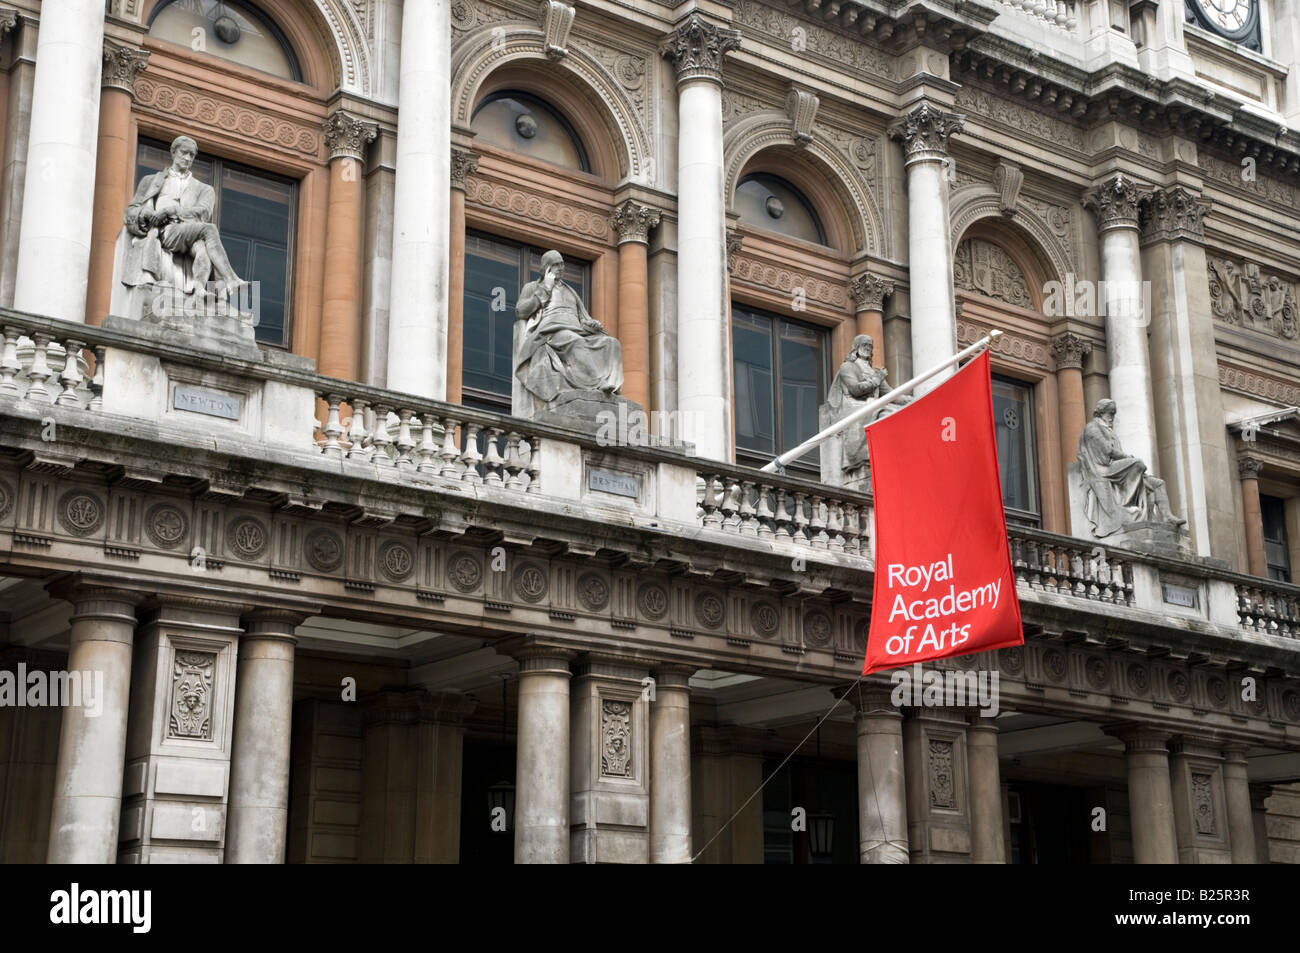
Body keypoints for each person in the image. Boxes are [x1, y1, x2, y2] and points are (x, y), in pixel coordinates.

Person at [122, 135, 246, 299]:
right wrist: (145, 214)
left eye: (192, 155)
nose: (188, 158)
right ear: (174, 152)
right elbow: (131, 212)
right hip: (165, 230)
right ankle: (231, 279)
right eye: (184, 153)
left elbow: (202, 212)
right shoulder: (151, 181)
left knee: (203, 248)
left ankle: (200, 289)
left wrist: (171, 210)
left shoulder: (204, 189)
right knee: (209, 229)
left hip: (190, 231)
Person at [515, 250, 623, 404]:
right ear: (547, 268)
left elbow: (582, 317)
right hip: (552, 330)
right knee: (574, 341)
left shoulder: (569, 290)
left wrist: (591, 324)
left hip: (578, 330)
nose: (561, 267)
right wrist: (545, 288)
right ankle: (598, 383)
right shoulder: (533, 287)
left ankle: (611, 387)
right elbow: (521, 311)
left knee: (611, 343)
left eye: (562, 264)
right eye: (556, 265)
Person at [1077, 398, 1184, 537]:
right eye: (1110, 414)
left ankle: (1168, 516)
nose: (1112, 418)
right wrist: (1128, 458)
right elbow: (1107, 450)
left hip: (1113, 468)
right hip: (1102, 469)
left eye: (1113, 415)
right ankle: (1128, 504)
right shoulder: (1092, 428)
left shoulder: (1109, 430)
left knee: (1158, 484)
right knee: (1137, 463)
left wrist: (1127, 459)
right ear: (1100, 413)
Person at [825, 334, 889, 467]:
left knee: (895, 412)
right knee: (884, 414)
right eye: (864, 345)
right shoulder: (848, 367)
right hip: (854, 407)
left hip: (870, 406)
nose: (868, 348)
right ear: (857, 347)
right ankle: (876, 454)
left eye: (870, 346)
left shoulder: (873, 371)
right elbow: (855, 389)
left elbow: (891, 393)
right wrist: (877, 379)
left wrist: (910, 399)